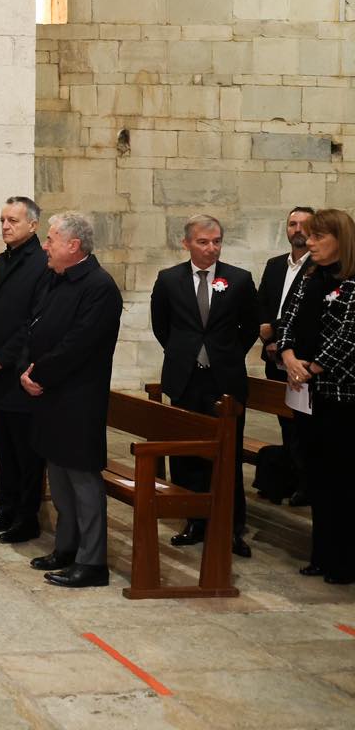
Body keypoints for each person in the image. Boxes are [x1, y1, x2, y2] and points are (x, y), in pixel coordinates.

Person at [21, 212, 122, 588]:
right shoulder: (56, 279)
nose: (45, 246)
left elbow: (79, 344)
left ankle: (93, 561)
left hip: (79, 397)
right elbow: (36, 326)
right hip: (51, 393)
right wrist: (30, 370)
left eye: (50, 239)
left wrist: (39, 374)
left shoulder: (99, 287)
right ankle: (67, 547)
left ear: (73, 245)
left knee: (82, 478)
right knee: (59, 475)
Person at [149, 214, 260, 557]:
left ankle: (230, 527)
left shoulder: (238, 280)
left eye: (216, 242)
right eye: (203, 242)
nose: (211, 249)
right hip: (185, 378)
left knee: (227, 454)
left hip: (224, 379)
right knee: (187, 453)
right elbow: (161, 326)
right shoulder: (169, 280)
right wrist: (186, 355)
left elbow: (250, 327)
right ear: (186, 244)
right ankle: (194, 520)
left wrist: (223, 356)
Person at [276, 208, 355, 585]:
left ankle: (345, 560)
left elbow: (348, 337)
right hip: (307, 393)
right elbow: (286, 320)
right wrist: (289, 355)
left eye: (319, 237)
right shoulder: (311, 277)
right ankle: (322, 554)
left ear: (341, 239)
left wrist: (311, 367)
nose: (310, 243)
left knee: (342, 479)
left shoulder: (353, 281)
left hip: (342, 397)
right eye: (309, 236)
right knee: (318, 476)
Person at [0, 196, 50, 543]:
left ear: (33, 225)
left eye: (13, 221)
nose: (5, 226)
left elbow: (33, 323)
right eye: (2, 220)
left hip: (19, 373)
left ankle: (26, 517)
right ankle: (6, 507)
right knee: (3, 447)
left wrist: (0, 359)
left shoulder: (41, 264)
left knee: (25, 450)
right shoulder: (0, 264)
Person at [257, 206, 315, 506]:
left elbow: (304, 314)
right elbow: (263, 301)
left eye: (304, 224)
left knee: (303, 425)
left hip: (300, 358)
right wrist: (264, 332)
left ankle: (306, 483)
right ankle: (290, 476)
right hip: (273, 357)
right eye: (293, 224)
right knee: (285, 422)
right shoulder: (276, 264)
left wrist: (278, 336)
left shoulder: (318, 267)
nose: (298, 229)